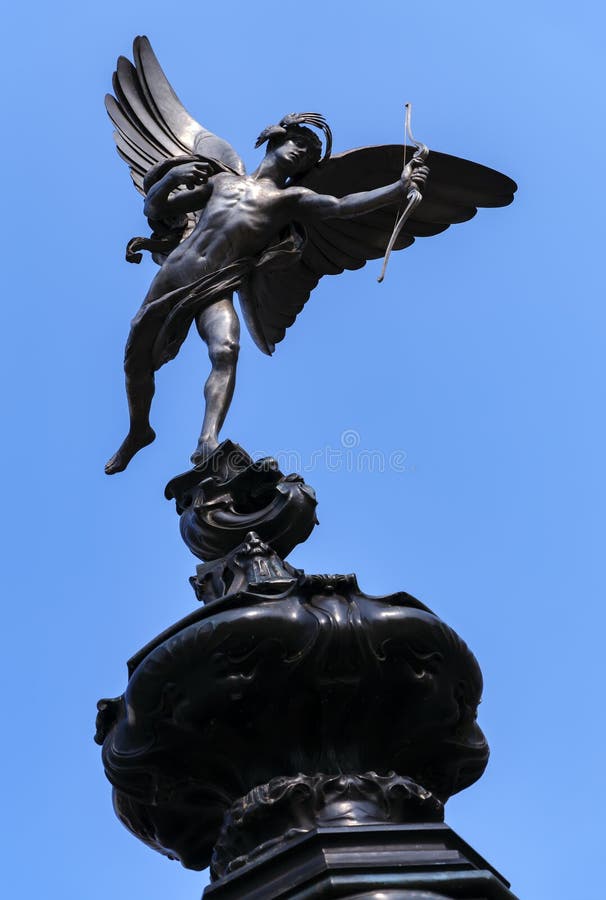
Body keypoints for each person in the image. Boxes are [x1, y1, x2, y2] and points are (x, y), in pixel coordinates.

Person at [105, 124, 428, 475]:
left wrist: (397, 189)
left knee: (226, 349)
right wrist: (172, 179)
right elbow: (156, 208)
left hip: (217, 284)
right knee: (137, 358)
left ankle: (207, 439)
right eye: (299, 143)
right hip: (176, 274)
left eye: (308, 154)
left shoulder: (289, 201)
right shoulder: (221, 182)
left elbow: (340, 206)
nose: (301, 153)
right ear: (274, 140)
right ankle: (139, 430)